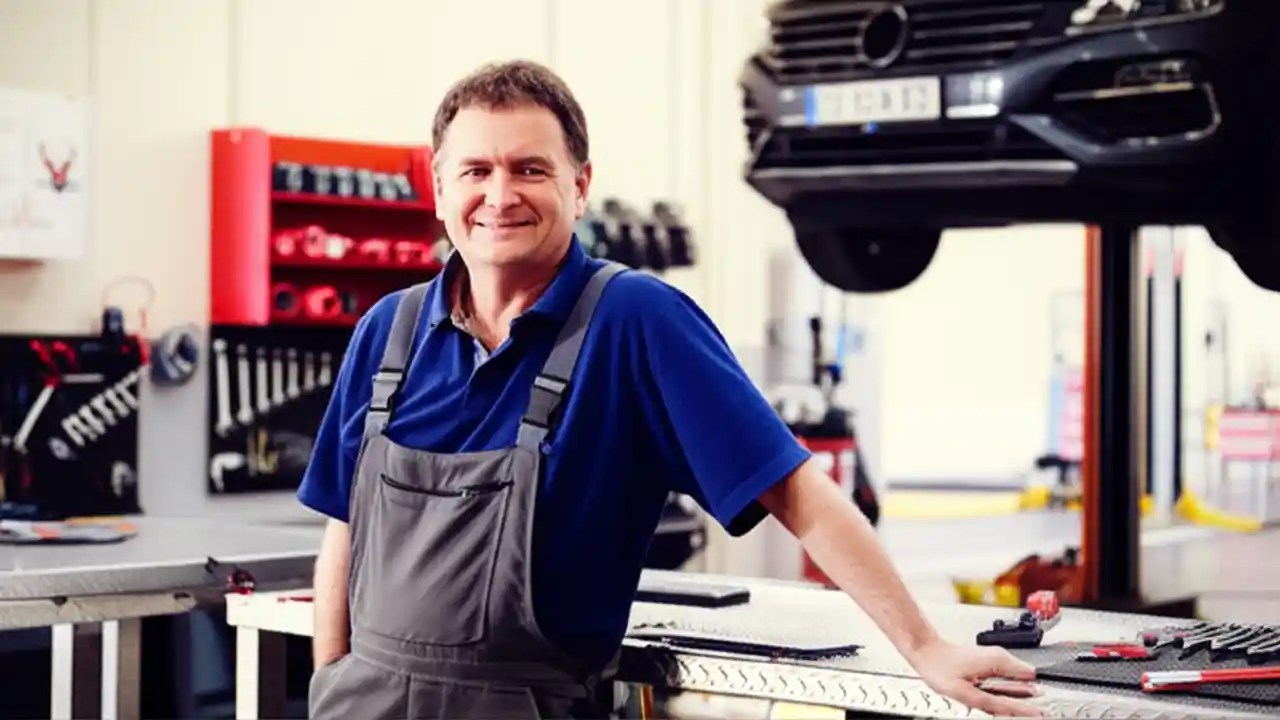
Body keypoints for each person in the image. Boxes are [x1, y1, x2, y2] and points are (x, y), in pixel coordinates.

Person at [297, 59, 1044, 719]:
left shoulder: (636, 322)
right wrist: (331, 680)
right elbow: (344, 527)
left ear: (579, 186)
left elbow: (797, 491)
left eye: (530, 169)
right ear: (438, 188)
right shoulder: (387, 331)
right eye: (476, 171)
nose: (501, 194)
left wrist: (924, 646)